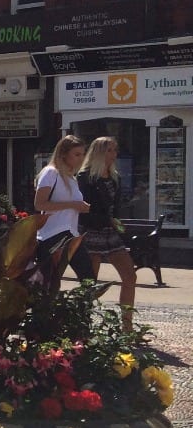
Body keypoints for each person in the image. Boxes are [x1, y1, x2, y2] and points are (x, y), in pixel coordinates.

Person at [77, 136, 138, 330]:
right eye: (110, 150)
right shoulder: (85, 178)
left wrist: (117, 222)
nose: (114, 154)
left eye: (115, 150)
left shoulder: (114, 177)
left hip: (111, 232)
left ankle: (126, 326)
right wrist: (106, 219)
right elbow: (83, 209)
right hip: (92, 231)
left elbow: (115, 206)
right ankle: (81, 323)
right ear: (99, 153)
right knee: (91, 284)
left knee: (130, 275)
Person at [34, 134, 95, 283]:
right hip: (52, 235)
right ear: (63, 154)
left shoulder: (71, 178)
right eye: (76, 154)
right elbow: (39, 204)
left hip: (71, 233)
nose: (81, 158)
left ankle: (80, 305)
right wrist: (73, 205)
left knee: (88, 278)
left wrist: (81, 208)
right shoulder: (51, 173)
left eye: (82, 154)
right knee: (49, 282)